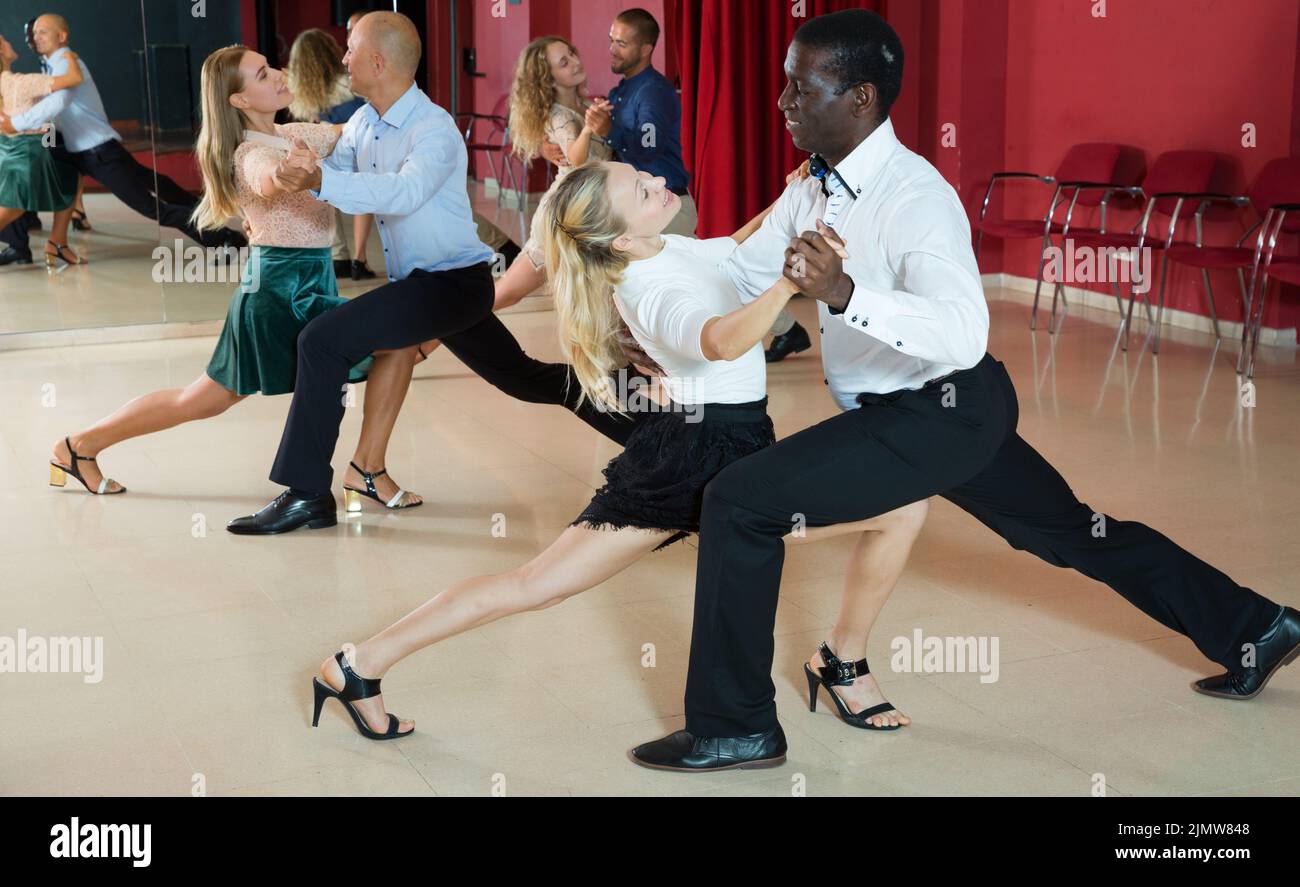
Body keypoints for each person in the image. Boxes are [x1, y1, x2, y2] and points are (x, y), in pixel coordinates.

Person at [629, 9, 1298, 772]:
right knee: (1075, 533)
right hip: (941, 412)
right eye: (786, 84)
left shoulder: (916, 195)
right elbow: (739, 271)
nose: (783, 101)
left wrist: (845, 292)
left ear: (860, 98)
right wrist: (643, 277)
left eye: (800, 87)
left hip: (940, 409)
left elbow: (961, 330)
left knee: (740, 500)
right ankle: (1256, 627)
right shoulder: (813, 187)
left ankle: (735, 727)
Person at [310, 159, 927, 740]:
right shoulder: (647, 286)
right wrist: (790, 287)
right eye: (641, 188)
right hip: (695, 459)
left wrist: (793, 195)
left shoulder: (667, 248)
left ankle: (358, 664)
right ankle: (360, 663)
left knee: (538, 584)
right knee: (538, 585)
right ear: (621, 239)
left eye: (643, 175)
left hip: (717, 443)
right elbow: (719, 341)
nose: (657, 180)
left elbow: (735, 249)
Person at [227, 12, 641, 535]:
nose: (344, 58)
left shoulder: (433, 128)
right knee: (525, 378)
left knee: (321, 341)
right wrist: (273, 199)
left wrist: (317, 180)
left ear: (378, 62)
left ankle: (306, 493)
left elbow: (403, 192)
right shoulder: (364, 123)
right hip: (431, 288)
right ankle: (653, 434)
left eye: (351, 49)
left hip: (452, 283)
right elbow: (331, 176)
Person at [48, 45, 423, 513]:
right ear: (240, 100)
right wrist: (287, 173)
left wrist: (392, 90)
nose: (279, 74)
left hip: (309, 281)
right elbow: (268, 177)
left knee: (202, 398)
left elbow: (350, 130)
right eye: (263, 74)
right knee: (205, 399)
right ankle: (367, 472)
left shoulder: (292, 132)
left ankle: (78, 446)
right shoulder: (249, 152)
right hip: (279, 292)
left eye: (272, 66)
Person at [584, 7, 811, 363]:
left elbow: (649, 147)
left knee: (715, 276)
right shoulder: (622, 91)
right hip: (647, 208)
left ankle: (784, 328)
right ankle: (786, 329)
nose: (612, 49)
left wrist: (608, 130)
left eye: (622, 43)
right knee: (711, 274)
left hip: (667, 204)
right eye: (612, 40)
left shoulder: (653, 92)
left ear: (645, 49)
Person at [0, 14, 244, 251]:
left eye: (43, 31)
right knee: (155, 182)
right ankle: (211, 218)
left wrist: (16, 123)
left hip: (98, 153)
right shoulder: (55, 66)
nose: (36, 37)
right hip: (92, 150)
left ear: (61, 36)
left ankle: (223, 238)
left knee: (152, 208)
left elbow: (58, 102)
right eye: (35, 33)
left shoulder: (65, 62)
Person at [286, 27, 377, 283]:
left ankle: (339, 256)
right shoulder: (350, 82)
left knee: (322, 195)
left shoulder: (303, 92)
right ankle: (359, 259)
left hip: (330, 150)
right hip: (364, 145)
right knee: (365, 197)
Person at [0, 34, 85, 267]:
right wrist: (69, 54)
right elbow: (74, 78)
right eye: (4, 41)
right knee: (14, 208)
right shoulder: (20, 82)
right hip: (27, 148)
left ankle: (57, 243)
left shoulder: (10, 82)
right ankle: (47, 244)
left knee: (69, 171)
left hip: (20, 145)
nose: (10, 42)